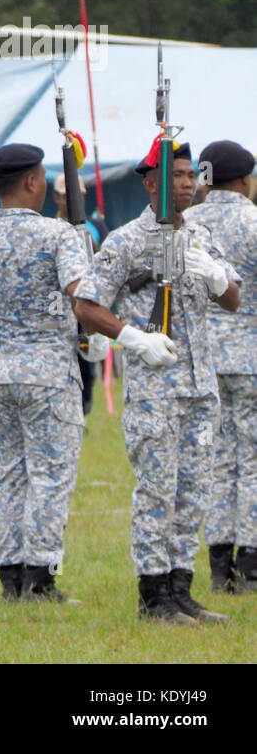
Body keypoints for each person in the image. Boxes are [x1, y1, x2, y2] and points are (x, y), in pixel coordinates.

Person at [74, 139, 238, 625]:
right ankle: (153, 596)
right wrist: (131, 337)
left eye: (191, 176)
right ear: (150, 184)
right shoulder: (126, 241)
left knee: (194, 489)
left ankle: (181, 589)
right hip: (155, 390)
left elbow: (233, 300)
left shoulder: (204, 236)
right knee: (157, 490)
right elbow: (86, 304)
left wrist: (216, 277)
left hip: (200, 388)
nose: (186, 184)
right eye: (176, 175)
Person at [0, 144, 102, 603]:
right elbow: (80, 295)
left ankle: (9, 578)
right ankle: (42, 578)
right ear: (30, 181)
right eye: (42, 176)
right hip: (47, 371)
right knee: (49, 476)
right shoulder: (59, 236)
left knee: (8, 474)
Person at [184, 140, 257, 593]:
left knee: (212, 461)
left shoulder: (187, 223)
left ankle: (216, 565)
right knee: (250, 462)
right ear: (246, 180)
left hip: (202, 358)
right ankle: (250, 564)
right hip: (250, 355)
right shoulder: (254, 220)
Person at [53, 171, 110, 416]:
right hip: (60, 306)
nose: (72, 201)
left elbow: (108, 263)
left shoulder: (96, 227)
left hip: (88, 303)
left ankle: (84, 408)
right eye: (67, 196)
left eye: (78, 196)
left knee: (87, 361)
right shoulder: (50, 228)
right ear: (57, 197)